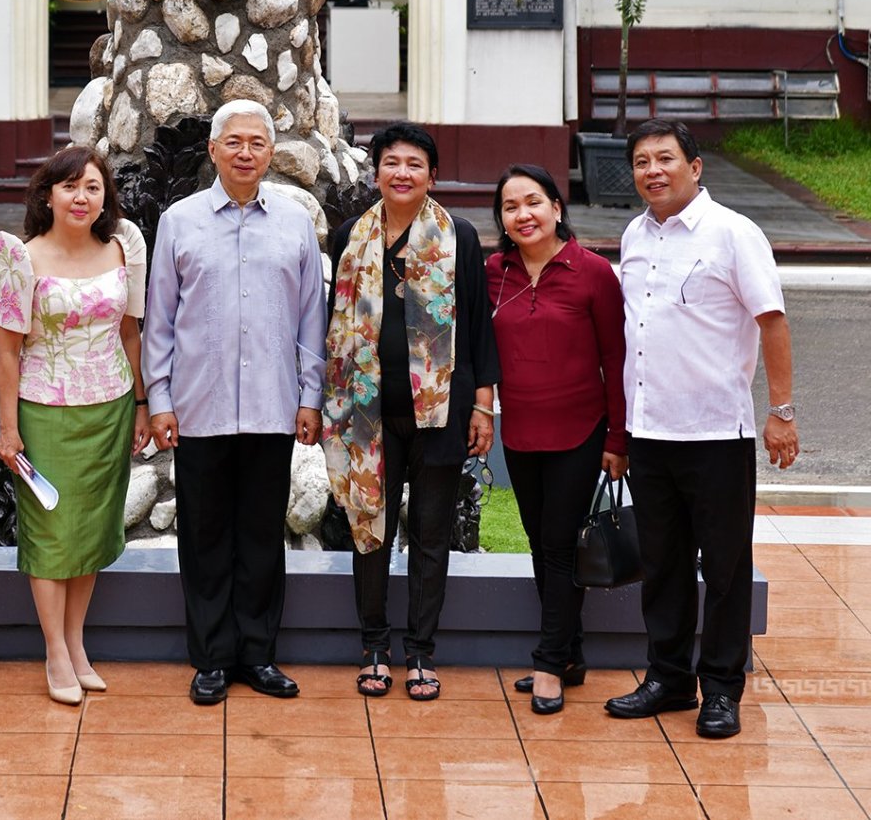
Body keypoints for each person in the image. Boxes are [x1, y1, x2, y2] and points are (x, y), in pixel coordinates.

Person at [604, 119, 799, 740]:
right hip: (650, 430)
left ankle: (721, 689)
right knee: (660, 562)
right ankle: (666, 678)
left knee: (725, 566)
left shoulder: (733, 234)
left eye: (665, 159)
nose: (652, 171)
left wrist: (782, 411)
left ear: (695, 167)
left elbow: (772, 321)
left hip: (717, 434)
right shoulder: (635, 236)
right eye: (641, 161)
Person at [142, 99, 327, 704]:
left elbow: (310, 320)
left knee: (259, 535)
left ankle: (258, 654)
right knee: (204, 536)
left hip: (274, 409)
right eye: (234, 142)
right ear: (214, 150)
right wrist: (160, 399)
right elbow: (160, 321)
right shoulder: (179, 220)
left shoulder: (295, 222)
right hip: (200, 409)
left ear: (271, 154)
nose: (246, 152)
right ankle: (212, 658)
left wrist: (310, 396)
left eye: (257, 143)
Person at [324, 122, 500, 700]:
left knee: (430, 533)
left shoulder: (460, 237)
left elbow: (476, 325)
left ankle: (421, 652)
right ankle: (374, 645)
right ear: (375, 171)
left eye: (415, 164)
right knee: (369, 528)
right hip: (367, 414)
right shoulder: (350, 234)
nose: (403, 173)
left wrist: (483, 405)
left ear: (431, 174)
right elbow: (334, 322)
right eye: (392, 162)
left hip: (441, 414)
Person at [0, 146, 149, 706]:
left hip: (109, 406)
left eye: (93, 187)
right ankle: (54, 651)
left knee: (93, 530)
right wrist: (9, 429)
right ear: (47, 194)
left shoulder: (124, 247)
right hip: (44, 409)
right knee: (52, 533)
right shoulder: (17, 257)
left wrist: (142, 405)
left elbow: (130, 335)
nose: (82, 197)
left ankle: (77, 645)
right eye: (70, 186)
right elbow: (6, 354)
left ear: (105, 197)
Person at [486, 164, 628, 713]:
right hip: (520, 432)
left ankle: (549, 663)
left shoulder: (592, 272)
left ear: (556, 208)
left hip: (580, 429)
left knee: (560, 545)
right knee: (542, 547)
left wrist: (618, 438)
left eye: (533, 202)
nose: (523, 215)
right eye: (510, 207)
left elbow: (616, 360)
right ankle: (570, 654)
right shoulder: (495, 271)